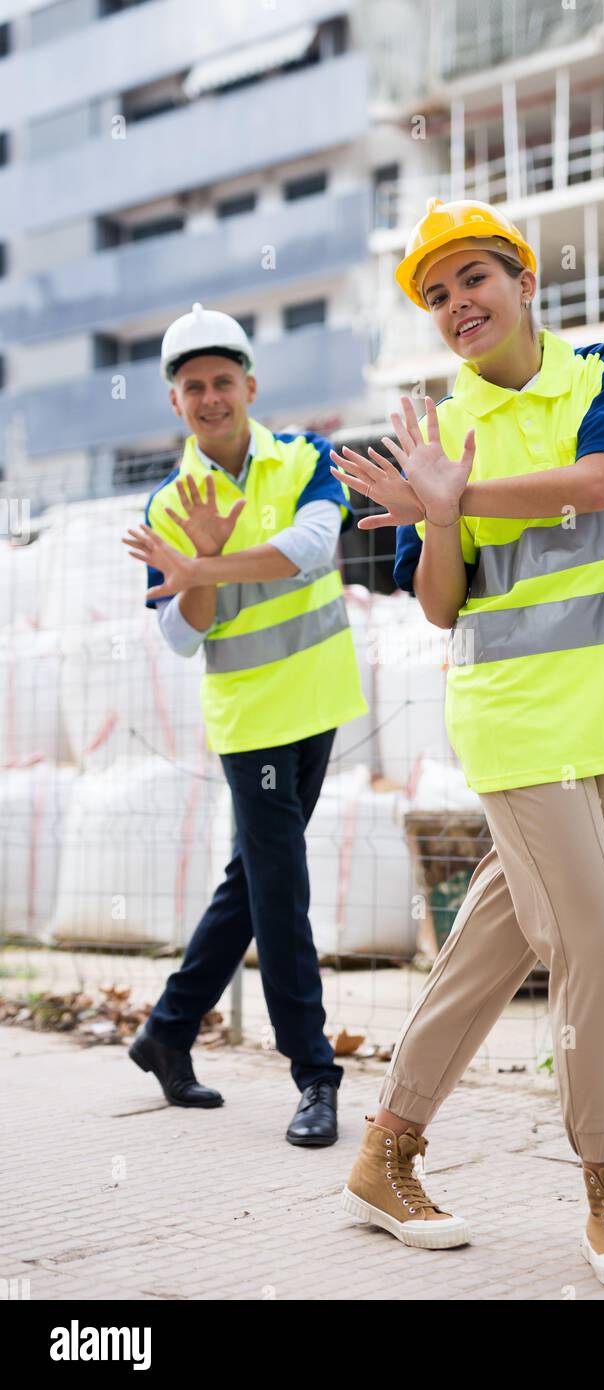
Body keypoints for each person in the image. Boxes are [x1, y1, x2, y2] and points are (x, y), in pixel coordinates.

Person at [328, 198, 604, 1288]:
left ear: (524, 281)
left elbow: (599, 484)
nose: (456, 305)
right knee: (600, 934)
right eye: (435, 296)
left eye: (472, 278)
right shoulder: (436, 427)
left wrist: (457, 493)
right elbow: (438, 605)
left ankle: (386, 1149)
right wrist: (439, 516)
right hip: (515, 718)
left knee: (496, 931)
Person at [122, 302, 369, 1147]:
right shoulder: (167, 503)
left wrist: (207, 562)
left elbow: (313, 545)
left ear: (249, 386)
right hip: (252, 722)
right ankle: (313, 1073)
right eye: (192, 386)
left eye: (222, 381)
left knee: (252, 882)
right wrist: (193, 577)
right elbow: (181, 636)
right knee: (281, 891)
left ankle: (167, 1029)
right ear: (175, 402)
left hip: (320, 702)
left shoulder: (302, 457)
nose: (210, 397)